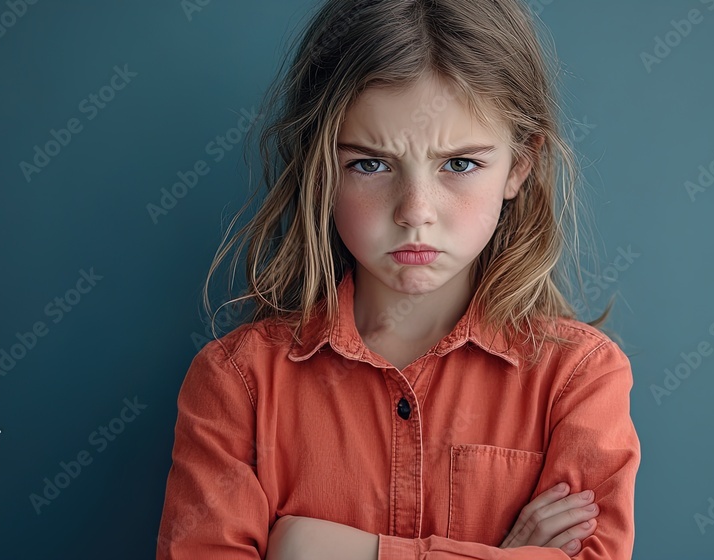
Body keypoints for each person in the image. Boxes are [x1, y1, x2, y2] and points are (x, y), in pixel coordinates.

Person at [155, 0, 640, 558]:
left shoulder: (579, 380)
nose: (415, 211)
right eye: (370, 163)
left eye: (459, 164)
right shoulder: (236, 386)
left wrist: (321, 548)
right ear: (322, 167)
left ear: (520, 166)